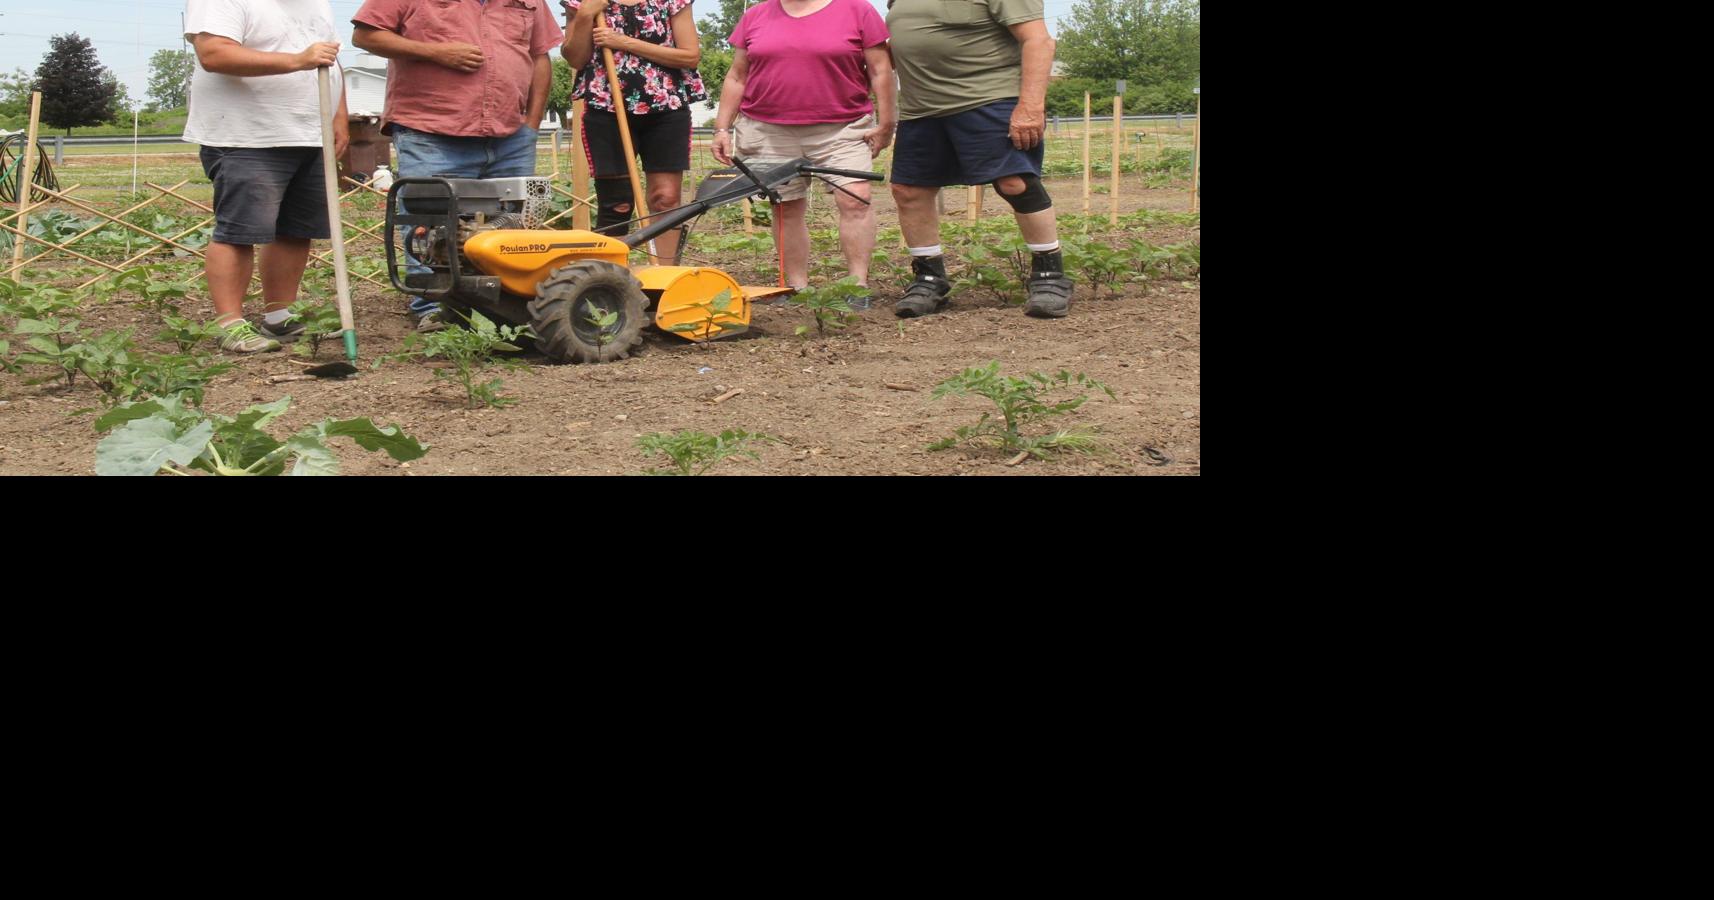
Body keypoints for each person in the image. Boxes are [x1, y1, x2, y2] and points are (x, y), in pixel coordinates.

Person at [352, 0, 563, 331]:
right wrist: (438, 53)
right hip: (431, 130)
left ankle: (505, 309)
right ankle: (433, 308)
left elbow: (539, 56)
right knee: (431, 222)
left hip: (510, 133)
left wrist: (532, 123)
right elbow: (366, 37)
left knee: (511, 222)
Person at [884, 0, 1072, 318]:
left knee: (1015, 182)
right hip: (922, 108)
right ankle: (930, 278)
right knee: (909, 190)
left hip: (989, 97)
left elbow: (1038, 40)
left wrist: (1030, 105)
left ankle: (1050, 275)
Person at [183, 0, 348, 353]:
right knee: (238, 231)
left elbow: (332, 61)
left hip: (308, 132)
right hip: (247, 136)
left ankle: (278, 316)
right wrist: (297, 60)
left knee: (295, 230)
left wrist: (339, 116)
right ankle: (230, 323)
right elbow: (214, 54)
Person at [711, 0, 894, 301]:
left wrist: (886, 122)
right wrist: (721, 127)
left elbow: (880, 70)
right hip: (769, 129)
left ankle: (856, 285)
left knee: (856, 200)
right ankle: (796, 285)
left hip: (842, 127)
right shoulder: (756, 15)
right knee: (785, 206)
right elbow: (737, 76)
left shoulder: (857, 10)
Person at [561, 0, 704, 264]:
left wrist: (623, 42)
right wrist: (585, 17)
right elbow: (575, 58)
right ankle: (610, 282)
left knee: (665, 198)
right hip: (607, 109)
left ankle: (664, 277)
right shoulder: (584, 2)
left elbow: (689, 55)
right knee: (616, 204)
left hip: (666, 108)